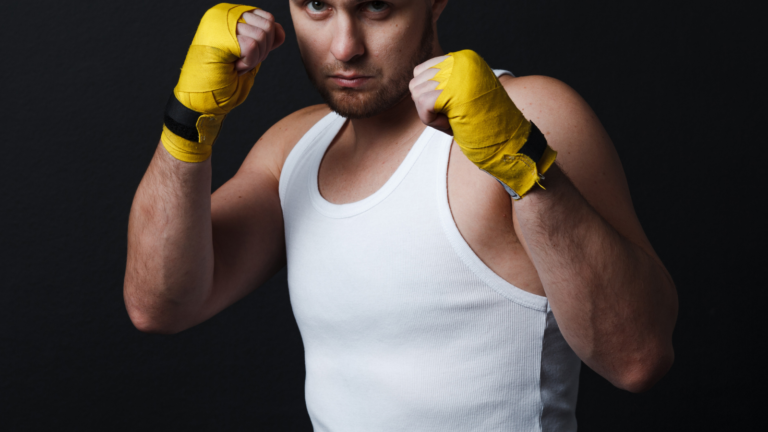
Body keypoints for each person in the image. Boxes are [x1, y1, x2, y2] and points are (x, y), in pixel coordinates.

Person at [124, 1, 679, 430]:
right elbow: (160, 305)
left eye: (376, 6)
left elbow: (638, 358)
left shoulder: (531, 114)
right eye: (318, 5)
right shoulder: (291, 149)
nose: (344, 47)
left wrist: (525, 165)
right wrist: (187, 122)